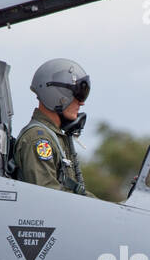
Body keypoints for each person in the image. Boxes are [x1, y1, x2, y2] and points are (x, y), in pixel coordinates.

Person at [13, 59, 94, 194]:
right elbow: (47, 196)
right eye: (79, 95)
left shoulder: (54, 137)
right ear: (57, 96)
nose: (81, 103)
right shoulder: (38, 139)